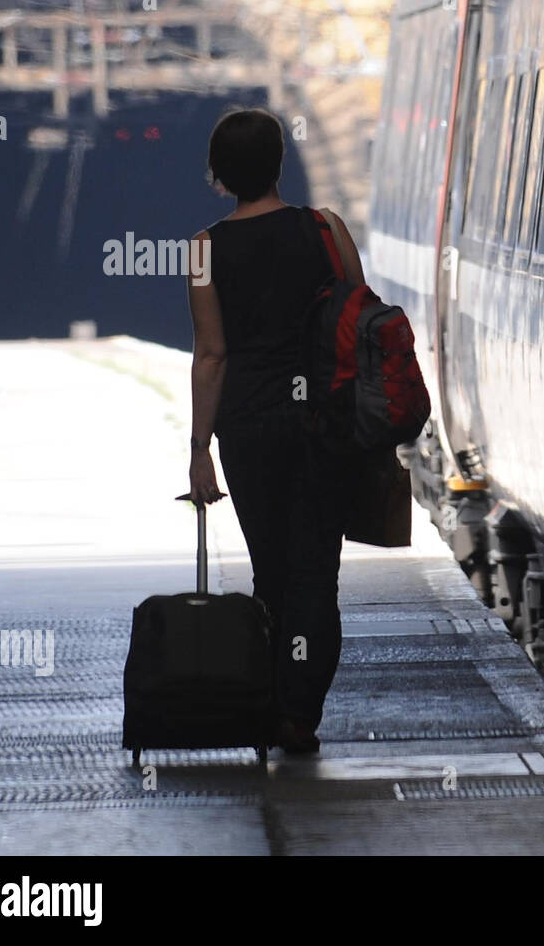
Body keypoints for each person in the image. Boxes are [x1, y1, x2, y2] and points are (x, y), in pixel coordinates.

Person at [185, 108, 365, 754]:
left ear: (218, 175)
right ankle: (299, 712)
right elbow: (359, 317)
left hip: (249, 426)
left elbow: (212, 354)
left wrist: (199, 448)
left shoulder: (205, 250)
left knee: (271, 570)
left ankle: (272, 699)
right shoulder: (326, 229)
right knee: (317, 568)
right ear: (280, 163)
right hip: (322, 421)